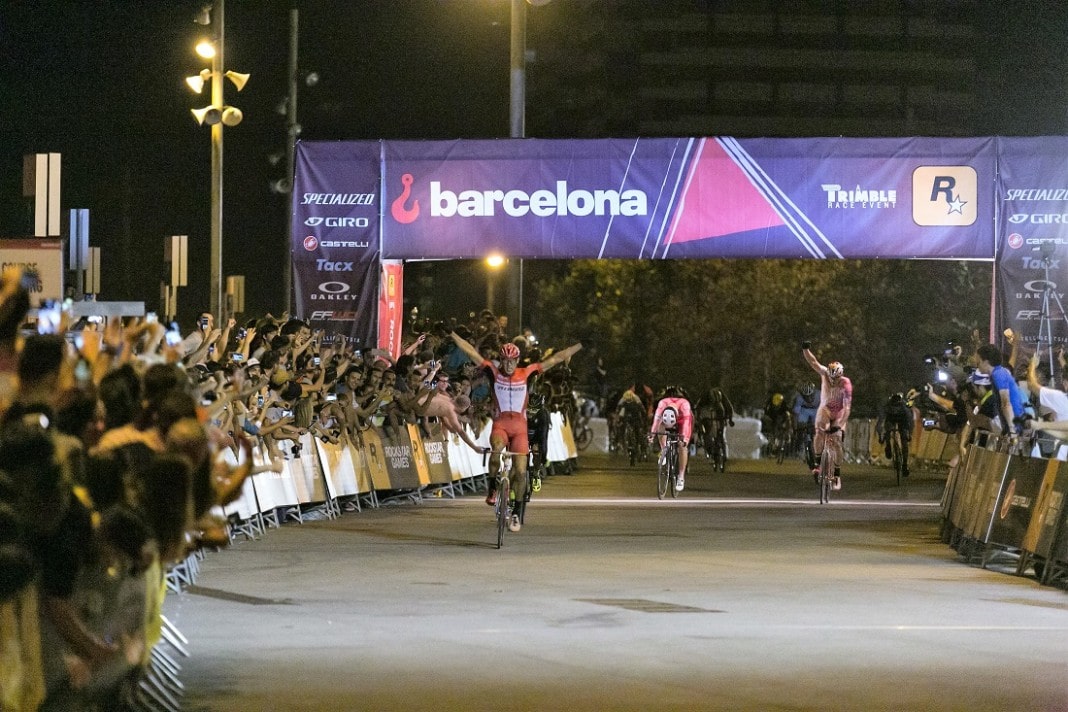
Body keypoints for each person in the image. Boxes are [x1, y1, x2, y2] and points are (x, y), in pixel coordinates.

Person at [448, 332, 582, 533]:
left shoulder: (527, 372)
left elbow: (555, 359)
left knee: (520, 472)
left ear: (517, 360)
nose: (508, 365)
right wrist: (453, 335)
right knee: (495, 452)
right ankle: (493, 488)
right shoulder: (493, 371)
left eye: (512, 361)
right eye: (504, 361)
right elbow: (469, 351)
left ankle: (517, 512)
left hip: (520, 428)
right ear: (500, 360)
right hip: (501, 424)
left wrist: (579, 345)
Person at [802, 341, 853, 488]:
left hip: (839, 412)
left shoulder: (845, 384)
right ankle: (817, 464)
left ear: (841, 376)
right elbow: (813, 362)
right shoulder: (824, 373)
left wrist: (838, 425)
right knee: (819, 432)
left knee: (836, 440)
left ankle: (837, 474)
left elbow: (847, 408)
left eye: (835, 379)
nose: (832, 381)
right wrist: (805, 349)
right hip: (825, 409)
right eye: (830, 378)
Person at [975, 343, 1026, 446]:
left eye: (978, 362)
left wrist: (1012, 431)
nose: (977, 364)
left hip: (1016, 426)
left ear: (986, 362)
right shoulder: (1000, 372)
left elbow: (1006, 403)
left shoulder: (998, 375)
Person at [648, 385, 693, 491]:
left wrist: (684, 439)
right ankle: (664, 450)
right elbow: (656, 421)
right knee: (660, 426)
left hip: (683, 420)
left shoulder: (684, 405)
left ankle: (681, 476)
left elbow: (687, 424)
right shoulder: (662, 403)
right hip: (665, 417)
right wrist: (652, 434)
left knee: (682, 446)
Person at [877, 392, 914, 477]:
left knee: (904, 439)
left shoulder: (904, 407)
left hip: (903, 420)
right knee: (888, 430)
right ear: (891, 404)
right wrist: (881, 436)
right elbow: (880, 422)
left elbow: (910, 422)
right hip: (891, 419)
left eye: (897, 407)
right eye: (894, 407)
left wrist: (910, 434)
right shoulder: (887, 407)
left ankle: (904, 465)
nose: (895, 409)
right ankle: (888, 446)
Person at [792, 382, 819, 470]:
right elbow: (795, 415)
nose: (808, 398)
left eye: (810, 396)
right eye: (806, 397)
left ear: (814, 393)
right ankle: (801, 445)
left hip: (817, 410)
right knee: (801, 426)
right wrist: (796, 429)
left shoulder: (820, 395)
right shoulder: (799, 398)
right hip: (804, 411)